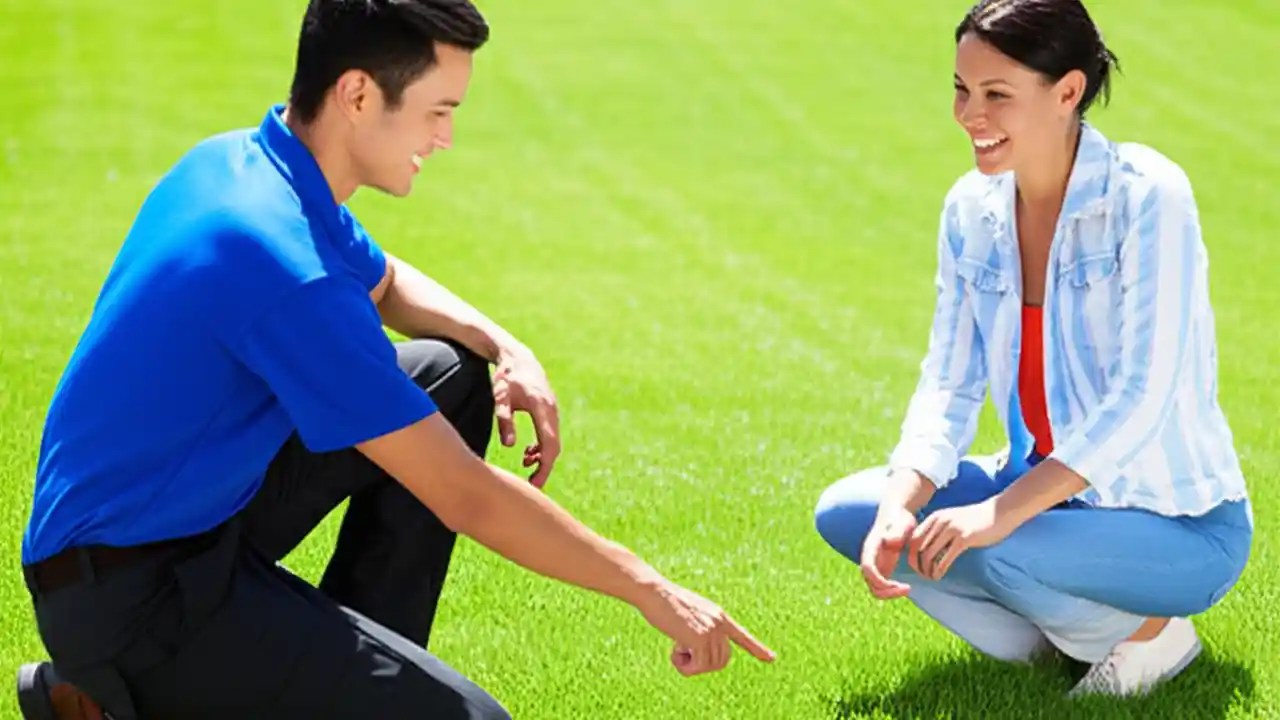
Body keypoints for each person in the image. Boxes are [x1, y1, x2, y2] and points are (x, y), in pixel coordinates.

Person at [15, 1, 775, 718]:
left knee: (450, 378)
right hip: (135, 596)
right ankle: (118, 685)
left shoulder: (245, 166)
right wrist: (651, 588)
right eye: (437, 111)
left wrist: (509, 347)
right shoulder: (283, 265)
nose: (445, 137)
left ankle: (328, 683)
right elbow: (465, 496)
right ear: (356, 94)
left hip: (167, 531)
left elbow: (386, 281)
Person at [813, 0, 1252, 699]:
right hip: (1044, 498)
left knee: (999, 546)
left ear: (1068, 92)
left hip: (1175, 524)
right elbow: (947, 384)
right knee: (851, 513)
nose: (968, 115)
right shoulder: (970, 209)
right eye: (961, 89)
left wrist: (999, 512)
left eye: (996, 95)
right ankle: (1057, 653)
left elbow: (1143, 398)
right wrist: (905, 498)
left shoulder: (1148, 197)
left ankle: (1152, 638)